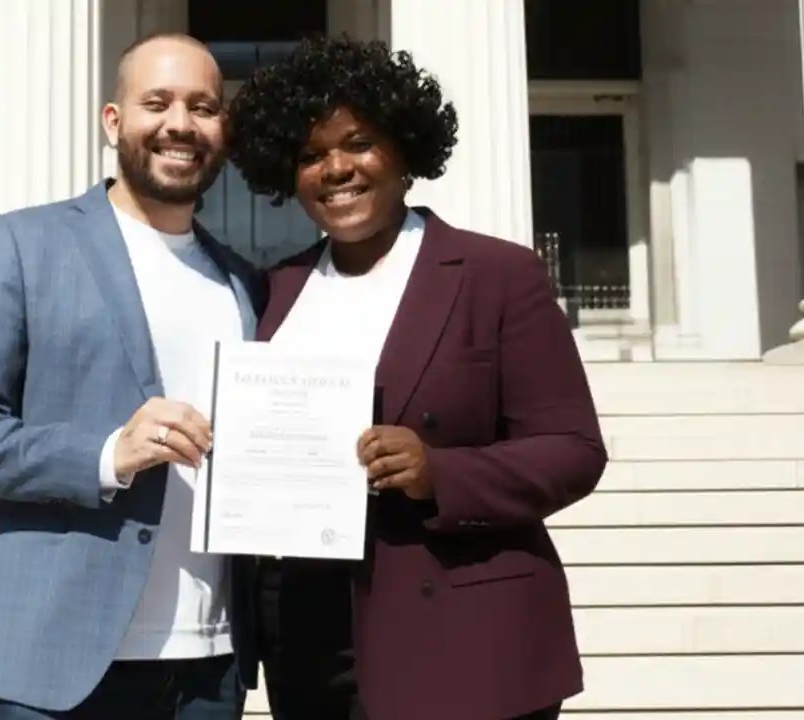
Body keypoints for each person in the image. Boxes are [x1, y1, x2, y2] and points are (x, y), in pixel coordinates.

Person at [226, 37, 608, 720]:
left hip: (462, 629)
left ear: (405, 150)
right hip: (309, 633)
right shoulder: (276, 288)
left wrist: (439, 473)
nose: (336, 168)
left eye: (359, 143)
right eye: (311, 155)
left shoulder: (496, 275)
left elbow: (573, 451)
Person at [0, 34, 262, 720]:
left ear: (223, 128)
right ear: (113, 120)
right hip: (54, 663)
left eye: (203, 107)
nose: (180, 124)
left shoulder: (242, 281)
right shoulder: (21, 242)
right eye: (156, 102)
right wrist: (107, 454)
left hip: (207, 667)